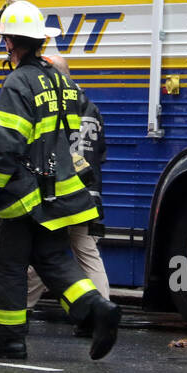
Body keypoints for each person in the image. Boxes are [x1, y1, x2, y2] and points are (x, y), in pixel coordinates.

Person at [0, 1, 120, 361]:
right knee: (51, 257)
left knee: (8, 264)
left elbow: (6, 141)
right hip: (58, 190)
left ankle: (8, 340)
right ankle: (97, 309)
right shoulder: (60, 79)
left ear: (9, 43)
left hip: (25, 195)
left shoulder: (18, 82)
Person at [22, 52, 110, 336]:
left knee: (46, 252)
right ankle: (102, 311)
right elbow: (101, 153)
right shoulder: (92, 107)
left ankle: (17, 309)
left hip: (63, 193)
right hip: (90, 191)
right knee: (85, 254)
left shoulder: (58, 104)